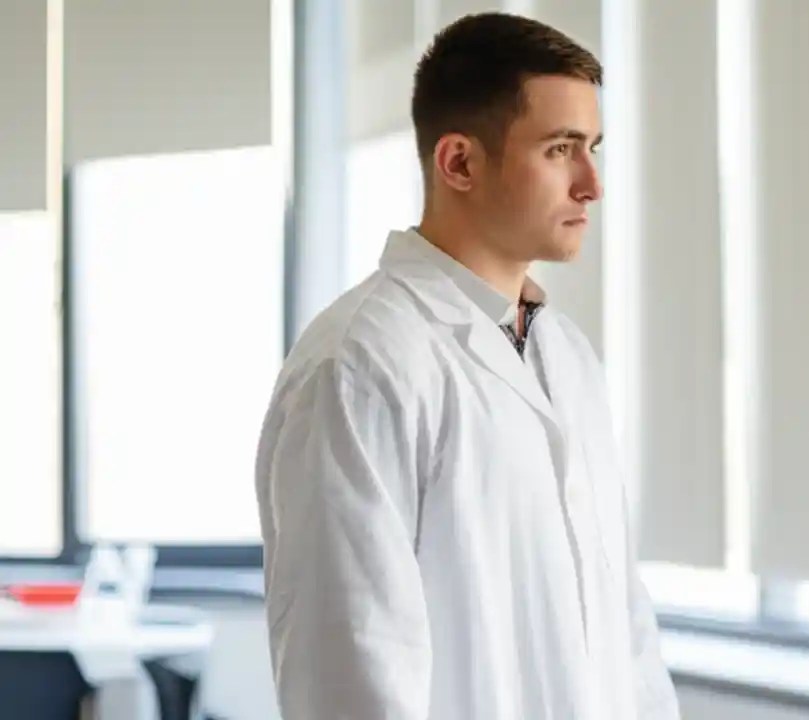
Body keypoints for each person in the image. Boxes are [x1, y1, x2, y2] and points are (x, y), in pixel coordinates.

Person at [253, 12, 680, 719]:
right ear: (458, 162)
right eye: (560, 149)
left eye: (593, 148)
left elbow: (625, 632)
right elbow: (354, 670)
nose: (591, 184)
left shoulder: (568, 358)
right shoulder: (359, 366)